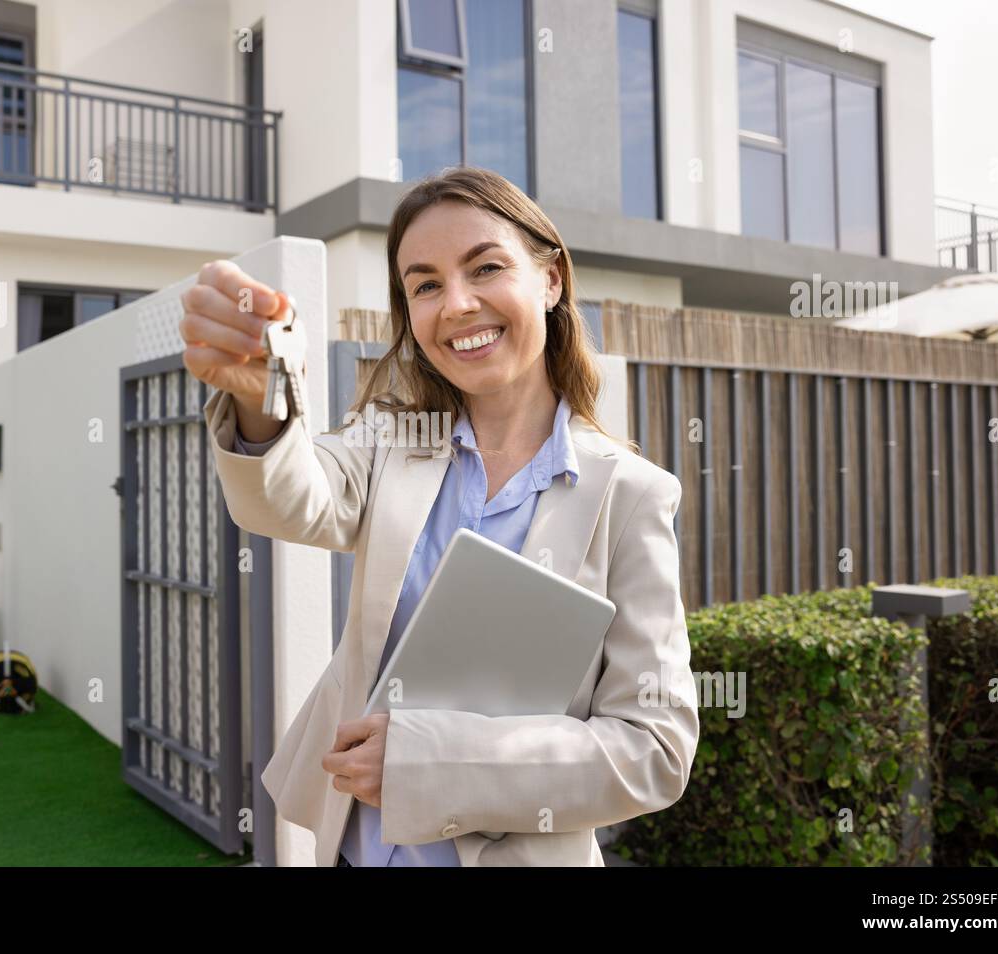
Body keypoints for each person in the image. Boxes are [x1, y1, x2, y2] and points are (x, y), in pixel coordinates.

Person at [179, 165, 699, 867]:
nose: (455, 304)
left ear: (551, 279)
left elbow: (654, 749)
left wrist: (428, 759)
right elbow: (288, 496)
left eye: (485, 267)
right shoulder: (390, 443)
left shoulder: (630, 495)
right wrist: (260, 396)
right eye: (425, 284)